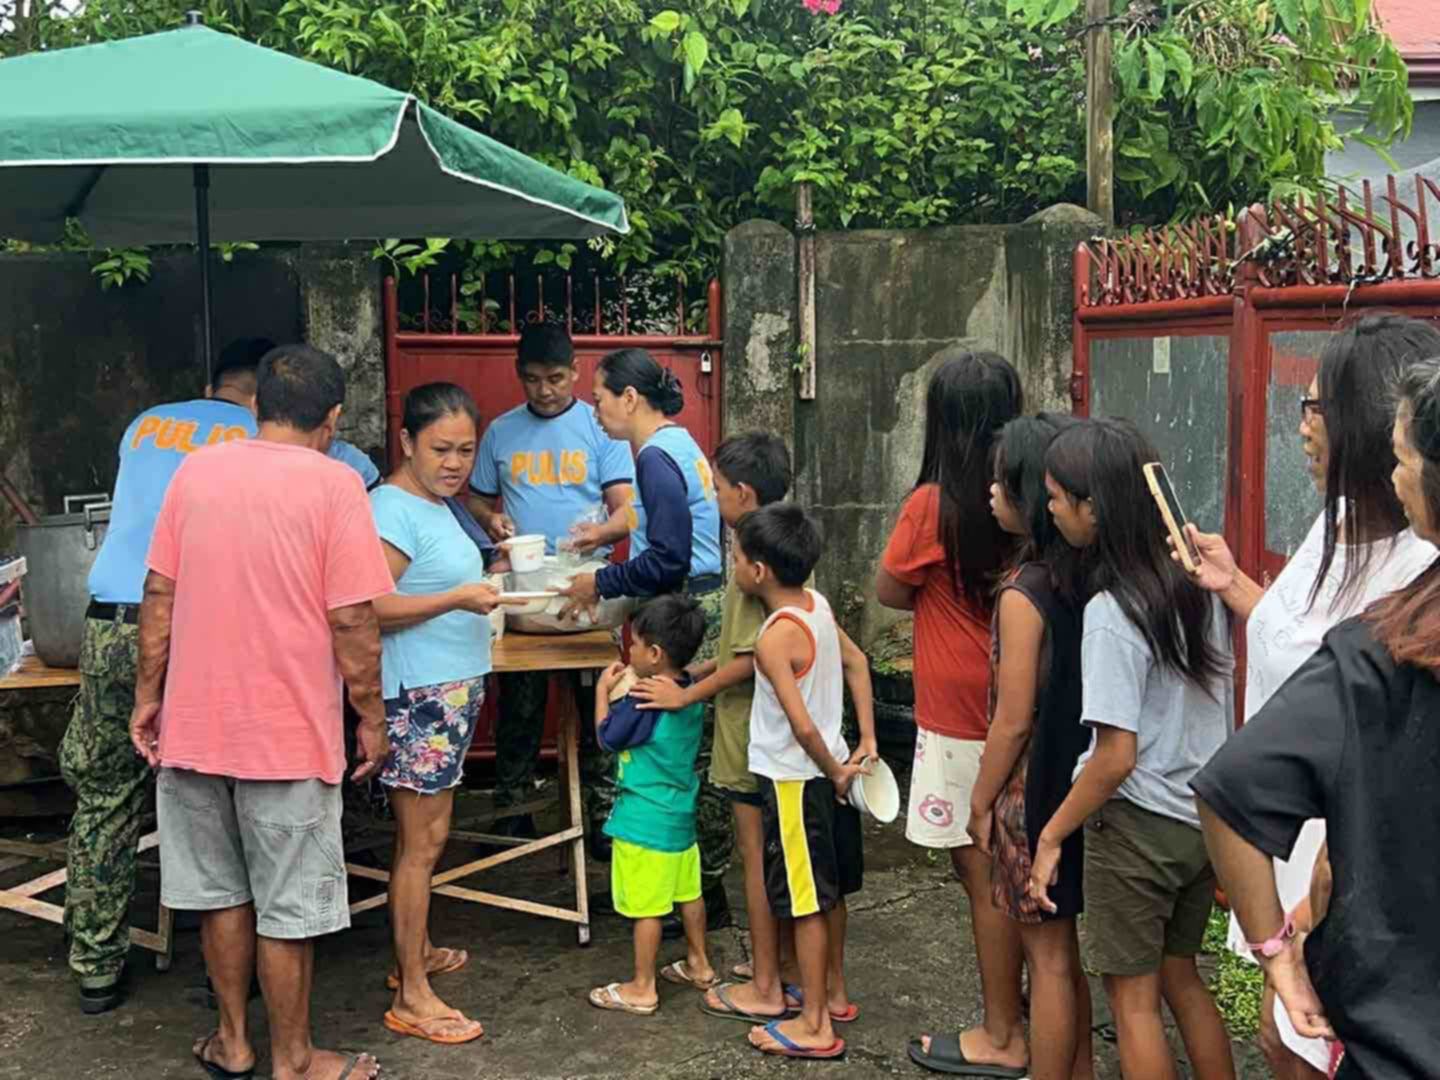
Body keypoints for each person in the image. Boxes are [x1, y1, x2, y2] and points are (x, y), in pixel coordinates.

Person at [1180, 313, 1440, 1076]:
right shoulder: (1337, 530)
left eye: (1316, 407)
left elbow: (1363, 717)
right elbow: (1309, 656)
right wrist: (1239, 589)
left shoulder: (1409, 590)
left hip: (1348, 867)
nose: (1302, 426)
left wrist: (1308, 917)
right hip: (1293, 845)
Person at [129, 344, 393, 1080]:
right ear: (334, 418)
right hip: (287, 736)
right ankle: (296, 1058)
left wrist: (150, 698)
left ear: (253, 408)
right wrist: (369, 716)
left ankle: (233, 1042)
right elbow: (352, 622)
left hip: (194, 727)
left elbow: (159, 595)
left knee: (219, 896)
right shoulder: (337, 485)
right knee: (288, 906)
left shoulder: (198, 470)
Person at [60, 337, 262, 1014]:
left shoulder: (144, 423)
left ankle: (95, 965)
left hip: (108, 622)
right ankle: (225, 975)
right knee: (222, 798)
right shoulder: (259, 434)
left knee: (106, 796)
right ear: (263, 390)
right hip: (194, 624)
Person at [1033, 419, 1235, 1080]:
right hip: (1199, 819)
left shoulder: (1112, 613)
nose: (1052, 510)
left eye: (1059, 497)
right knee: (1183, 978)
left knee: (1135, 1004)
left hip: (1138, 826)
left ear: (1095, 508)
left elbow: (1115, 755)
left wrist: (1053, 834)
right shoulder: (1199, 586)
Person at [924, 415, 1094, 1080]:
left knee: (1046, 958)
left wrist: (981, 798)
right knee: (1067, 955)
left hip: (1036, 792)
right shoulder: (1087, 575)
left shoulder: (1026, 594)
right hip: (1081, 785)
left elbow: (1012, 720)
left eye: (1005, 481)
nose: (990, 492)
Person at [875, 350, 1028, 1076]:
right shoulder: (1031, 494)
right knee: (1021, 867)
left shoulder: (932, 505)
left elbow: (888, 590)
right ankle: (1031, 1012)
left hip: (961, 711)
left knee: (985, 878)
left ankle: (1003, 1033)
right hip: (1021, 699)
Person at [633, 433, 807, 1022]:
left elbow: (749, 658)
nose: (710, 497)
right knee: (774, 853)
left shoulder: (752, 562)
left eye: (716, 488)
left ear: (743, 493)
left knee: (756, 856)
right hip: (762, 721)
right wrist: (697, 673)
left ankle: (765, 981)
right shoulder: (781, 547)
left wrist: (687, 697)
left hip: (748, 725)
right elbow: (739, 650)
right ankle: (774, 964)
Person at [557, 347, 731, 924]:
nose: (595, 407)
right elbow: (658, 527)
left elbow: (667, 556)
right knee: (686, 746)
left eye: (600, 397)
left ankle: (697, 890)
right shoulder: (671, 445)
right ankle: (693, 891)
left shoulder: (656, 457)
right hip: (694, 599)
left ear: (630, 399)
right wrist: (598, 541)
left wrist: (600, 582)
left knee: (678, 747)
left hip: (687, 608)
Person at [465, 323, 633, 846]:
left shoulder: (598, 428)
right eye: (533, 379)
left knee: (595, 704)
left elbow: (627, 508)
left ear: (577, 372)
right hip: (525, 589)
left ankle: (603, 814)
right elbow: (474, 498)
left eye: (556, 378)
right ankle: (514, 807)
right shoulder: (501, 431)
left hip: (585, 587)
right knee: (519, 703)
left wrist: (597, 535)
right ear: (519, 376)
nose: (544, 390)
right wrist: (491, 521)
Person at [370, 384, 502, 1046]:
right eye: (441, 449)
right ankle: (413, 995)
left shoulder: (437, 503)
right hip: (418, 696)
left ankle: (414, 955)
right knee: (421, 845)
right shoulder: (392, 509)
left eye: (466, 450)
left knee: (424, 839)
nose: (455, 463)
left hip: (445, 691)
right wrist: (456, 598)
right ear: (407, 443)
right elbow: (367, 608)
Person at [732, 503, 875, 1061]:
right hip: (832, 771)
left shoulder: (773, 638)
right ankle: (833, 994)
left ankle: (815, 1023)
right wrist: (864, 742)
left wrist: (835, 766)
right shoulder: (818, 606)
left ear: (760, 571)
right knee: (830, 890)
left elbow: (800, 724)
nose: (736, 568)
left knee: (806, 902)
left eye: (739, 559)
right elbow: (858, 662)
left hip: (797, 781)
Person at [586, 595, 715, 1015]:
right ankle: (699, 964)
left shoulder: (643, 699)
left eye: (635, 644)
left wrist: (603, 691)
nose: (630, 652)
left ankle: (643, 986)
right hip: (680, 817)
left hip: (643, 820)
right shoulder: (688, 692)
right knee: (689, 894)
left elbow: (607, 736)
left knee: (646, 908)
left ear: (655, 655)